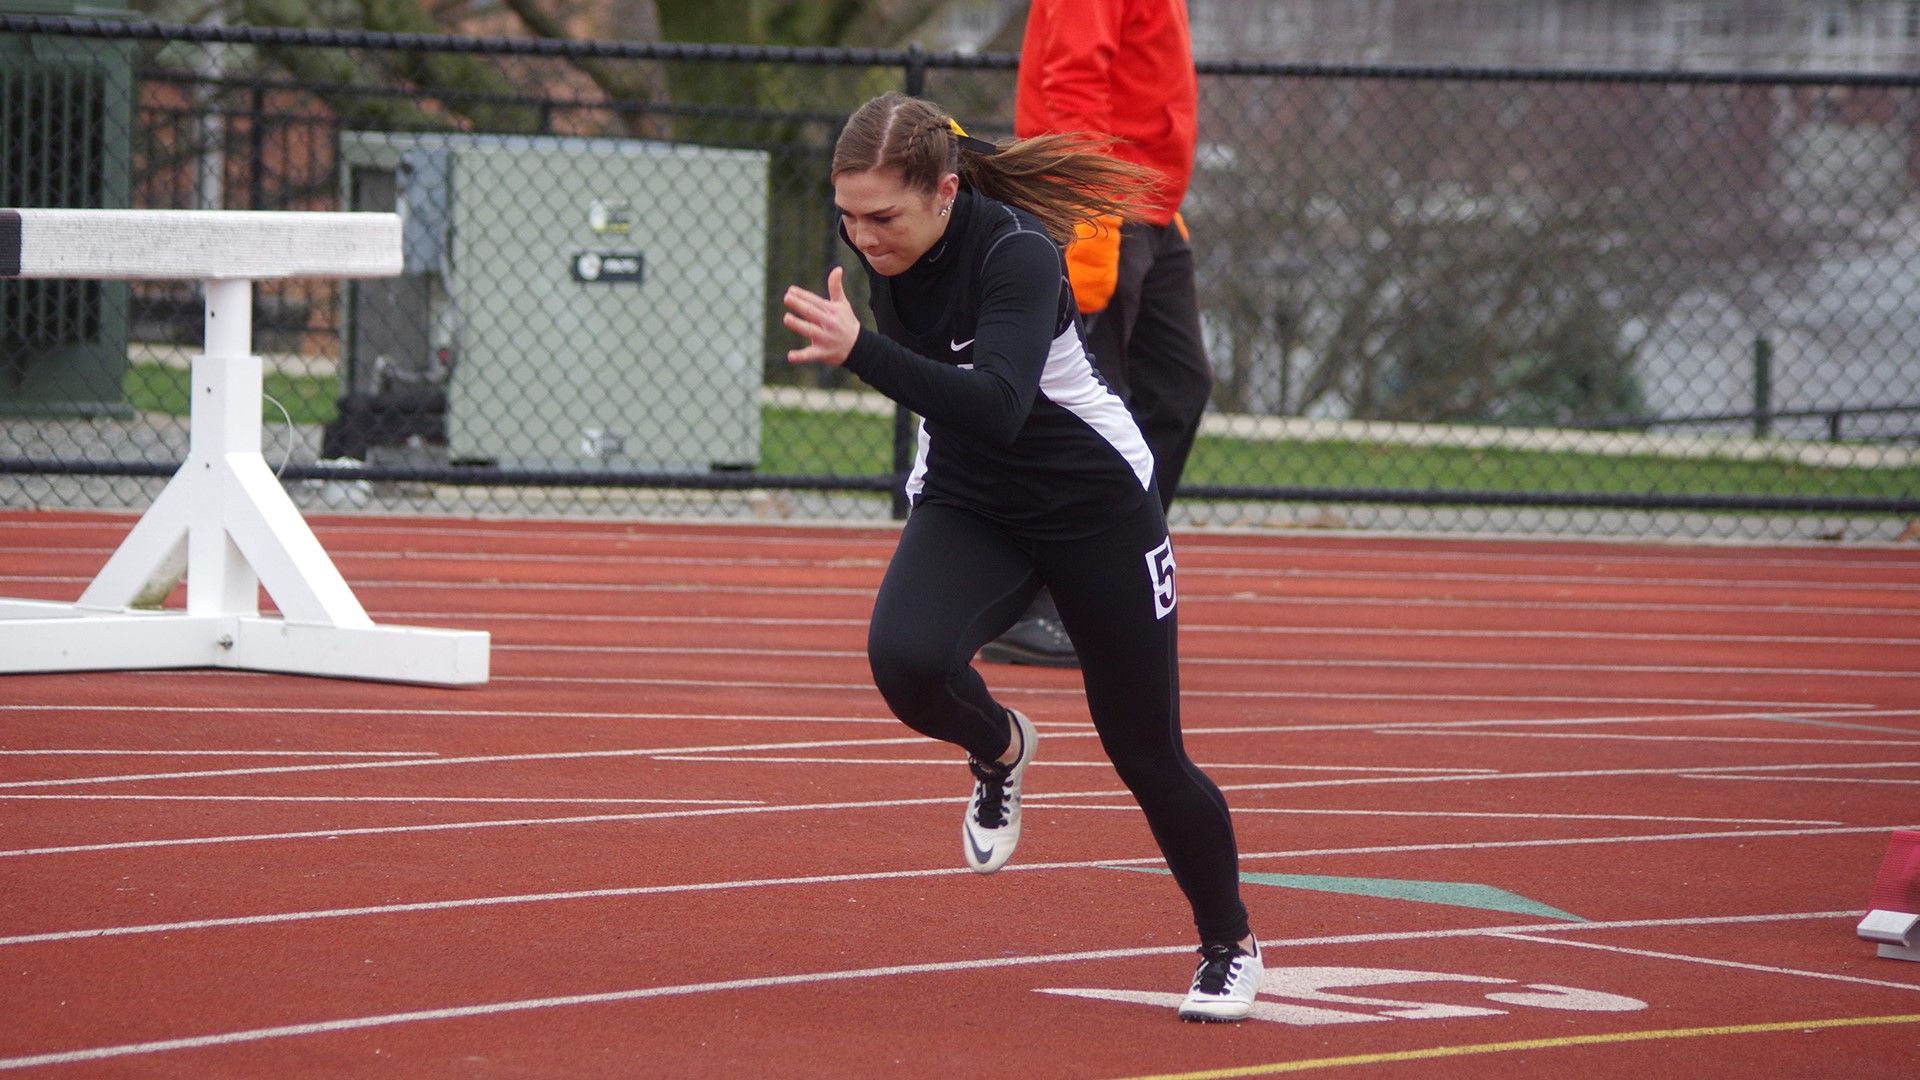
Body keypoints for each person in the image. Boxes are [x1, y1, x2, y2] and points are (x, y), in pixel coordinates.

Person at [781, 91, 1260, 1022]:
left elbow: (1000, 402)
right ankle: (1001, 748)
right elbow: (964, 424)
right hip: (976, 495)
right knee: (906, 662)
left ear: (947, 193)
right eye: (849, 215)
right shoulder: (880, 247)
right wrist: (878, 355)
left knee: (1147, 753)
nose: (864, 236)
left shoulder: (1020, 253)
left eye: (884, 217)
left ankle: (1229, 942)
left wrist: (861, 354)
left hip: (1094, 507)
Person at [981, 0, 1216, 669]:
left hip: (1150, 207)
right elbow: (1074, 78)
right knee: (1090, 408)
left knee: (1177, 388)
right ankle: (1045, 601)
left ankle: (1104, 577)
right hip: (1105, 205)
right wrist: (1089, 212)